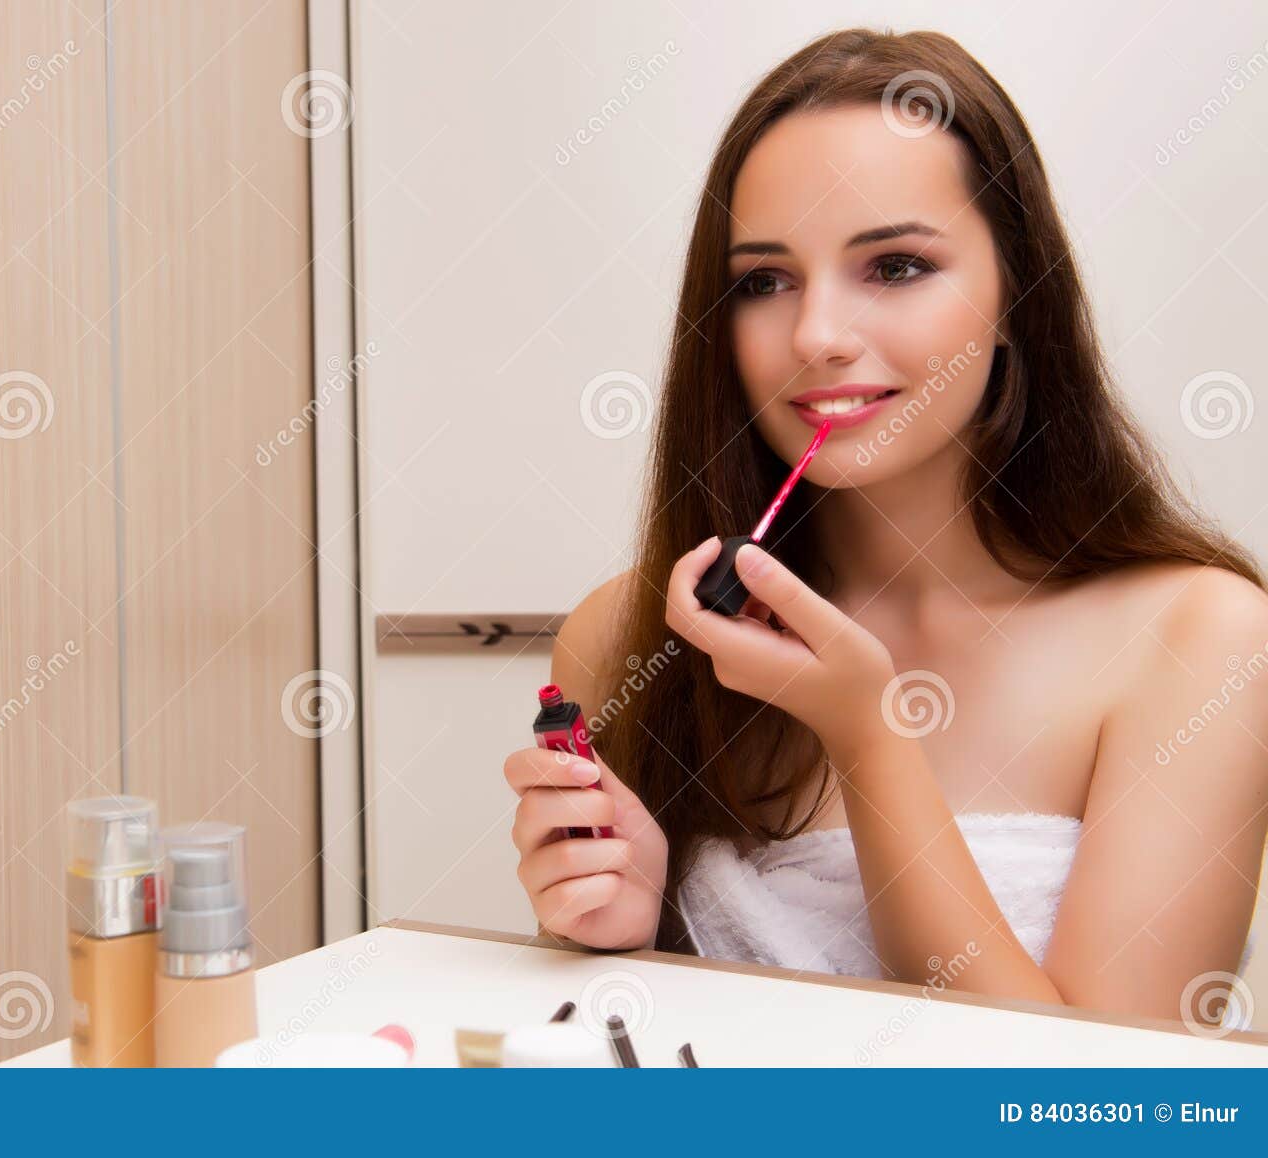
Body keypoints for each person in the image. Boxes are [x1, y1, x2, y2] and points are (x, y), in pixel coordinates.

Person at [504, 27, 1267, 1030]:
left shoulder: (1204, 641)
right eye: (762, 282)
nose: (816, 335)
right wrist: (619, 940)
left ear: (1016, 296)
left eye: (895, 266)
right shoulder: (626, 637)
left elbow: (1101, 1106)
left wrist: (867, 736)